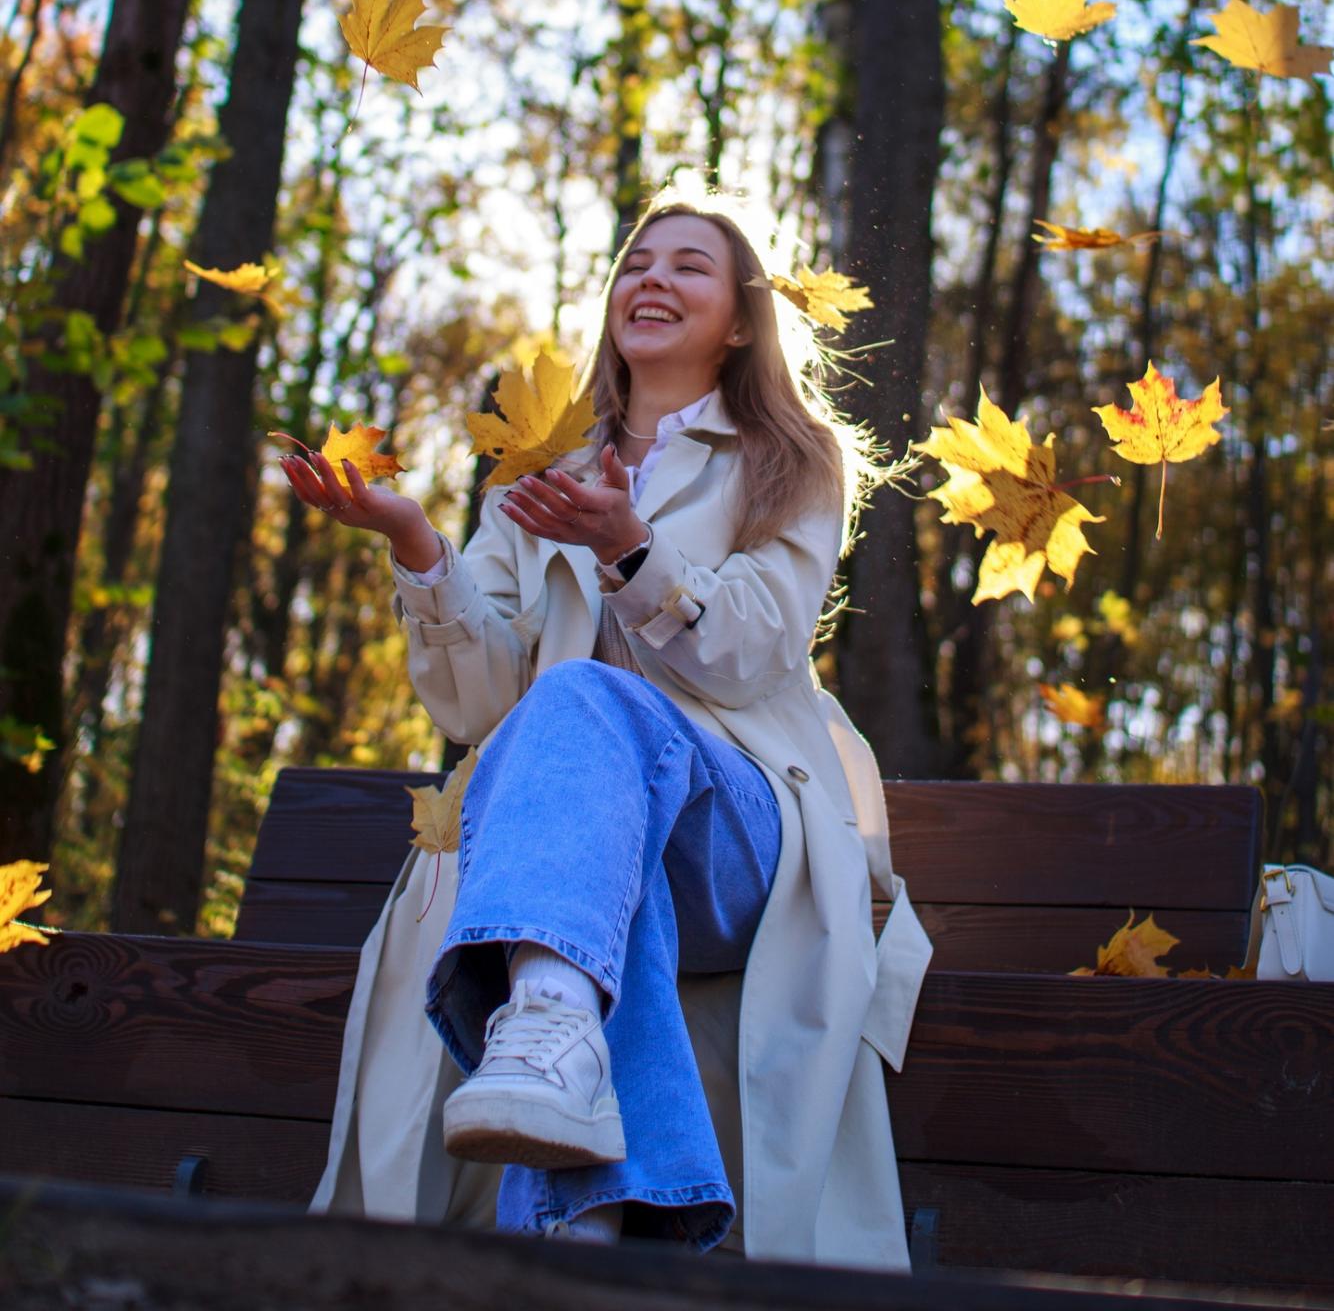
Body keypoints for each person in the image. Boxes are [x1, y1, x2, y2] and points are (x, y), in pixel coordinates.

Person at [280, 185, 931, 1265]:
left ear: (738, 319)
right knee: (580, 838)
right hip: (577, 849)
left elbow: (751, 651)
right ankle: (594, 1215)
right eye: (636, 260)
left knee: (577, 700)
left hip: (739, 827)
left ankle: (547, 1037)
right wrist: (416, 547)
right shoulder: (540, 476)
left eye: (688, 264)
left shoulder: (791, 457)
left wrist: (632, 549)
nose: (652, 278)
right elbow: (474, 704)